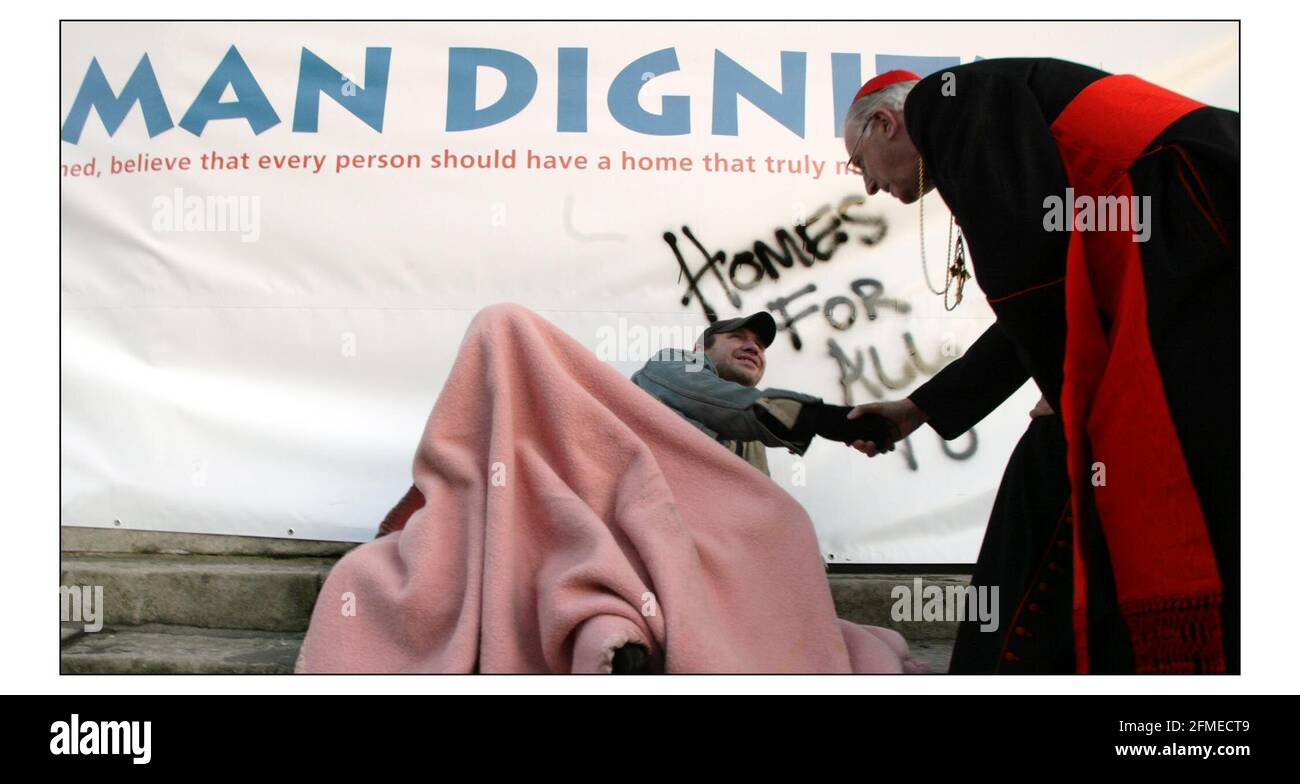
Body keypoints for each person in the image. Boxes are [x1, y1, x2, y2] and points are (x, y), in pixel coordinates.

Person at [841, 59, 1239, 673]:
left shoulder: (951, 106)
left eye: (857, 161)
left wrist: (1068, 385)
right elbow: (1042, 290)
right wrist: (918, 410)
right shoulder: (977, 110)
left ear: (886, 123)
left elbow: (1030, 281)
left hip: (1197, 227)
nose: (866, 185)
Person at [630, 311, 898, 478]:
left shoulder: (753, 430)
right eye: (737, 337)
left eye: (759, 345)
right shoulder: (671, 363)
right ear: (701, 348)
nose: (753, 347)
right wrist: (825, 420)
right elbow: (713, 398)